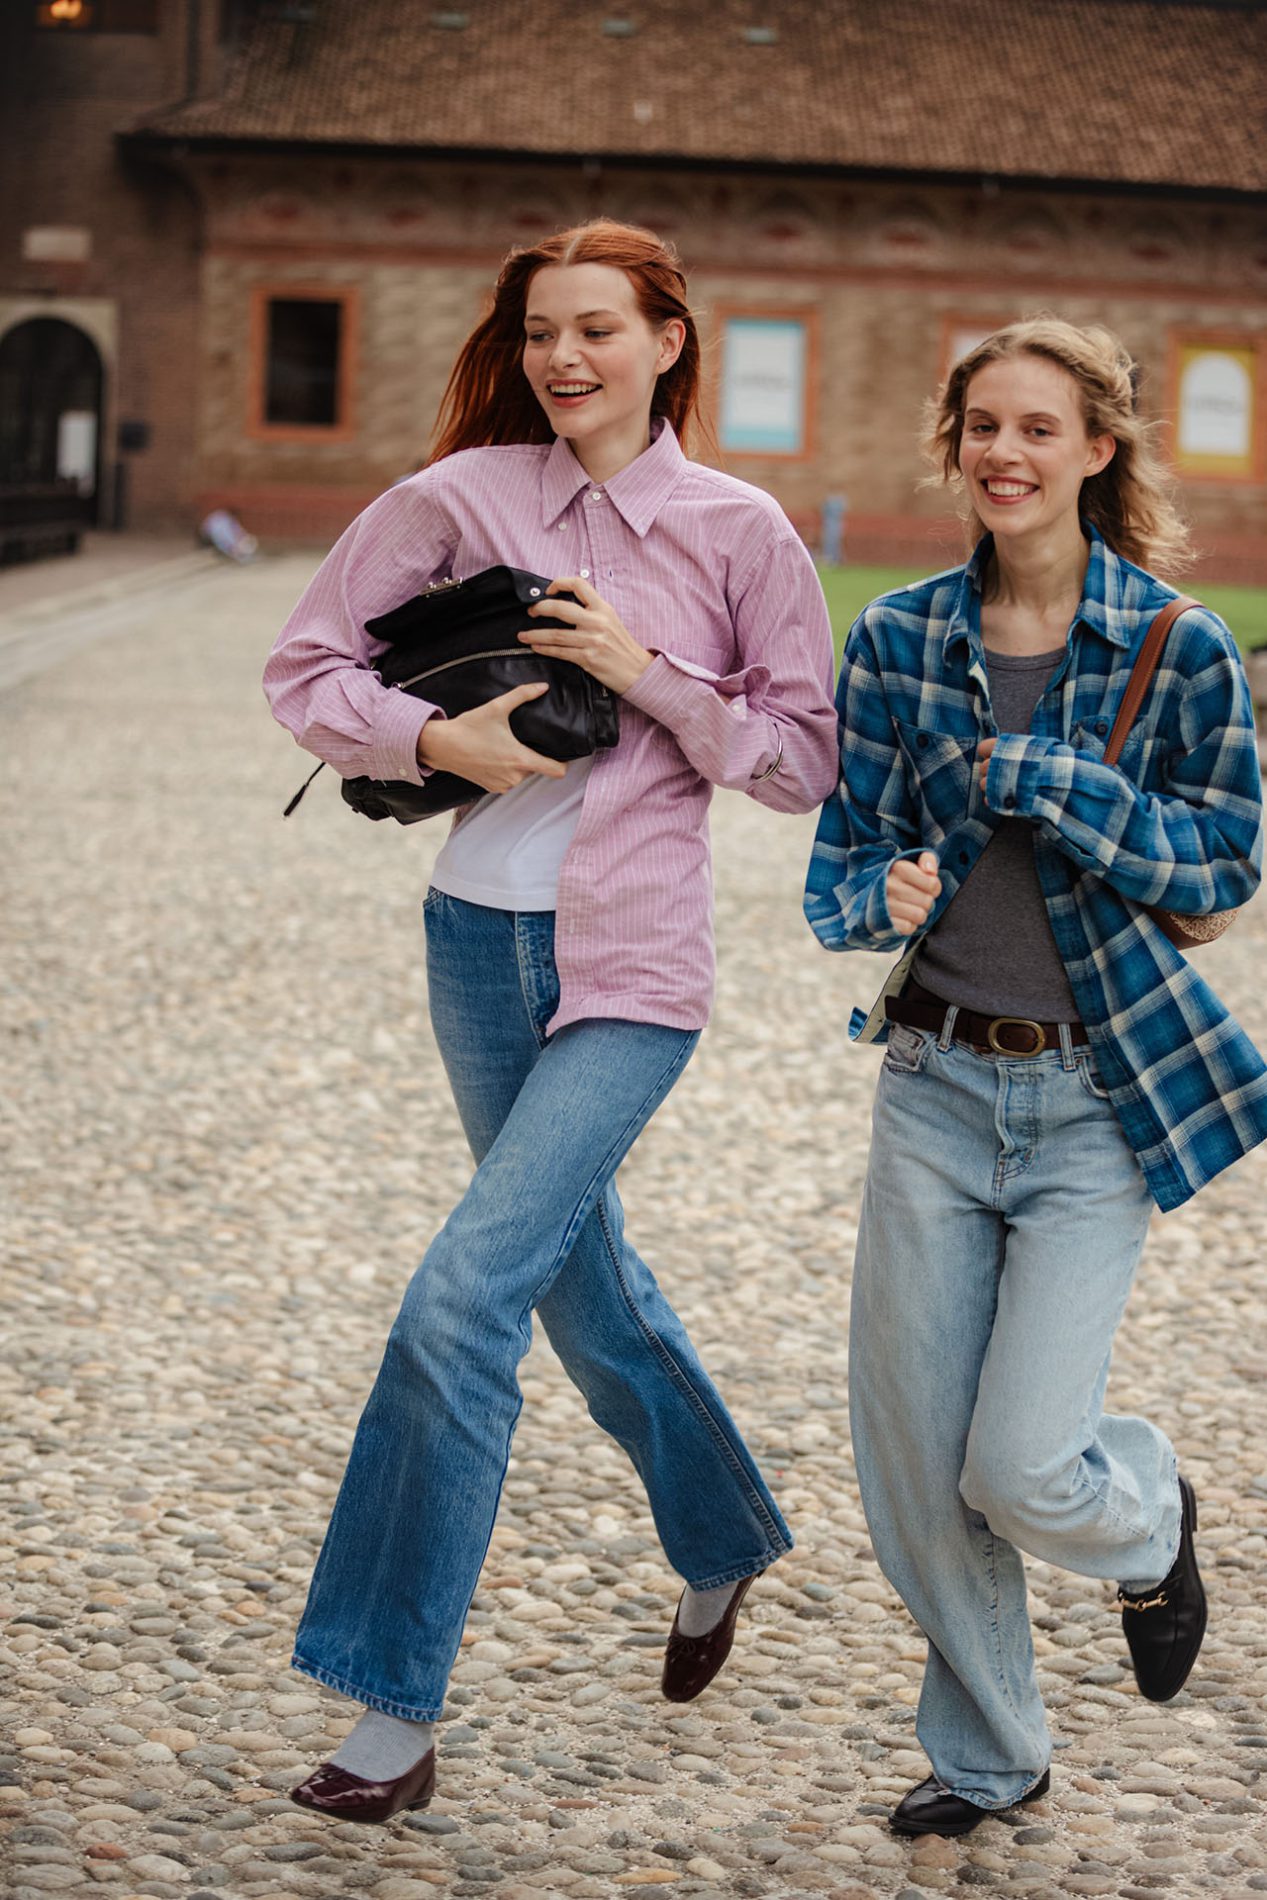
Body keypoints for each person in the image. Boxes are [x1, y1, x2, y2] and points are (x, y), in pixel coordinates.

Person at [263, 218, 838, 1824]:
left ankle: (389, 1710)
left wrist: (654, 675)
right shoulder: (459, 498)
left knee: (464, 1299)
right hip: (474, 944)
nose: (565, 357)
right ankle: (723, 1533)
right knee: (580, 1291)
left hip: (634, 976)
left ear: (668, 340)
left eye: (598, 328)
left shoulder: (740, 532)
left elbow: (803, 761)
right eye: (539, 332)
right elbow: (303, 670)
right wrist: (437, 747)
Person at [804, 317, 1266, 1838]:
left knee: (1016, 1464)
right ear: (955, 445)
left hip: (1094, 1104)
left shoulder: (1178, 647)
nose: (1004, 453)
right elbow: (837, 866)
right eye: (982, 427)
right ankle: (992, 1755)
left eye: (1037, 428)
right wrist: (878, 896)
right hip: (933, 1086)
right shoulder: (896, 639)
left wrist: (1066, 786)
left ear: (1097, 449)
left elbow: (1227, 863)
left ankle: (1150, 1521)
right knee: (915, 1467)